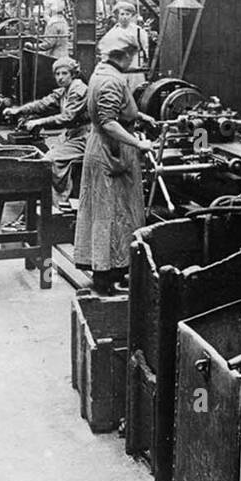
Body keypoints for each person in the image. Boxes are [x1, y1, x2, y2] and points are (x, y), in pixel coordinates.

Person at [74, 37, 158, 295]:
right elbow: (109, 121)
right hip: (110, 153)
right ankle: (106, 279)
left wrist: (140, 116)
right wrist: (139, 143)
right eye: (131, 56)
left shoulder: (101, 73)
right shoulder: (112, 79)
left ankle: (113, 270)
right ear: (123, 56)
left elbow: (110, 112)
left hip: (105, 149)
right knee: (111, 214)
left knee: (111, 213)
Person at [4, 57, 89, 211]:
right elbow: (43, 103)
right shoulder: (65, 90)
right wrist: (19, 110)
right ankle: (48, 200)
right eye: (57, 74)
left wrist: (39, 122)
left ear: (73, 74)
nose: (60, 77)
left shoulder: (78, 89)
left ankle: (55, 204)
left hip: (84, 137)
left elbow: (67, 117)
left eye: (64, 73)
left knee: (49, 160)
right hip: (71, 134)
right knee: (49, 151)